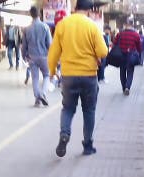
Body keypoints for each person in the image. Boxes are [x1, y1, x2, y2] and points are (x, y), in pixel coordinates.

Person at [47, 0, 108, 157]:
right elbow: (103, 51)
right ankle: (87, 145)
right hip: (89, 76)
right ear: (88, 11)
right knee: (89, 110)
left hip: (68, 76)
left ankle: (64, 134)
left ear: (75, 9)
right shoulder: (92, 26)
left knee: (67, 108)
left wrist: (53, 71)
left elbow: (53, 53)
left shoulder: (62, 25)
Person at [22, 6, 52, 107]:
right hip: (44, 56)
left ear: (31, 15)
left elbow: (24, 45)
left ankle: (37, 99)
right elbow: (50, 44)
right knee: (47, 75)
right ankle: (43, 94)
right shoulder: (45, 27)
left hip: (32, 57)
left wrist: (24, 56)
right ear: (39, 14)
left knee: (35, 78)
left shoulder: (26, 29)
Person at [113, 18, 141, 96]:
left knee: (122, 72)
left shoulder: (120, 34)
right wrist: (138, 54)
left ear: (125, 25)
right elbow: (139, 47)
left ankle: (123, 87)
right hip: (131, 56)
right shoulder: (136, 35)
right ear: (132, 25)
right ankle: (127, 87)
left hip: (121, 55)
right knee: (130, 72)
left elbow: (115, 43)